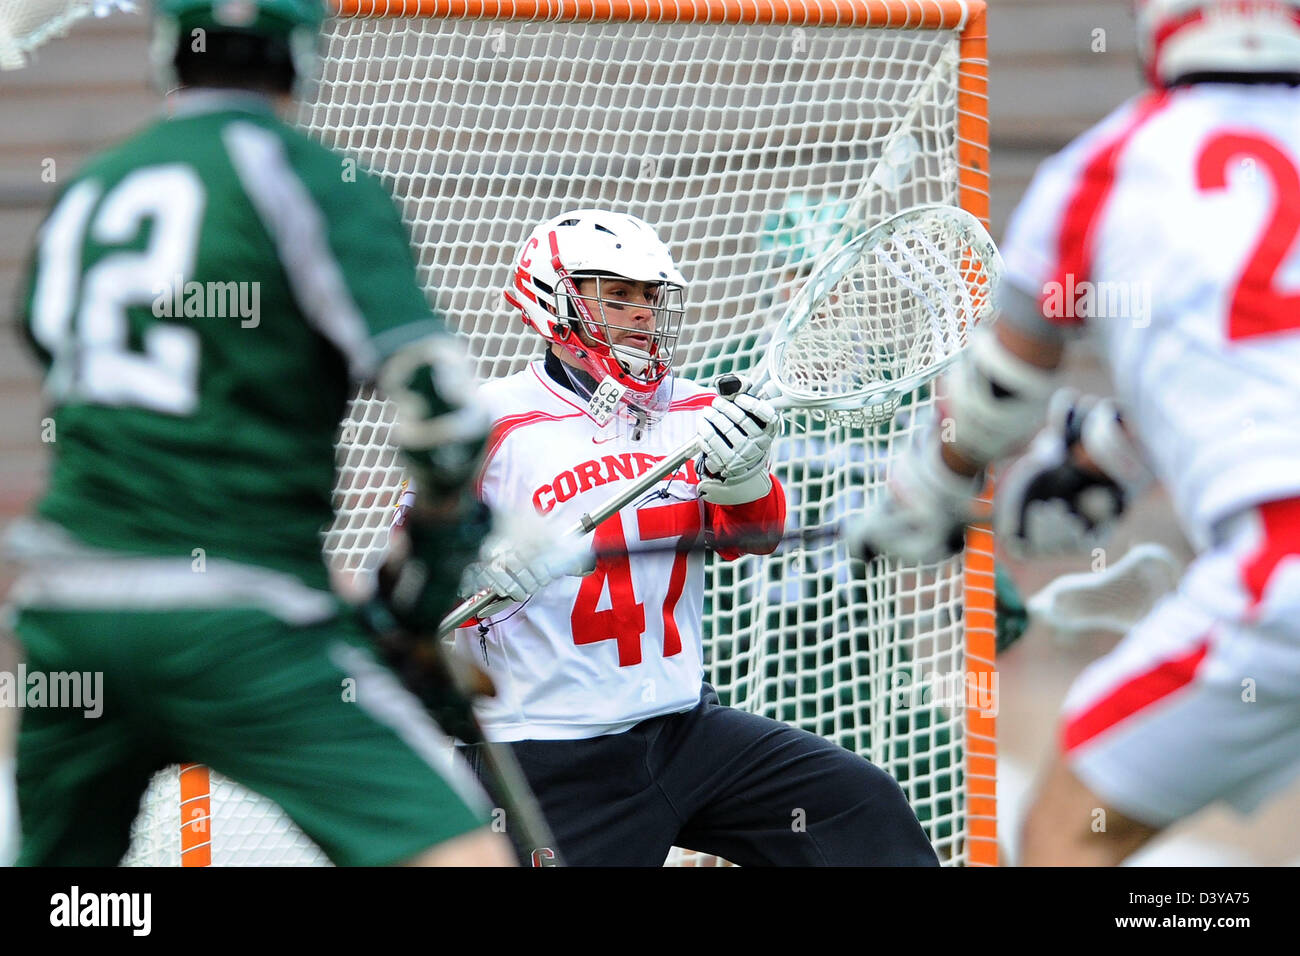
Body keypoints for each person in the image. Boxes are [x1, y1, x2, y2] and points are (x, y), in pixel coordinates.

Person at [4, 0, 513, 866]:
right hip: (236, 621)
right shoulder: (306, 178)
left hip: (69, 611)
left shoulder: (90, 186)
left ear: (170, 49)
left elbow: (65, 357)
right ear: (303, 53)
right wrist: (430, 564)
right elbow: (441, 414)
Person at [851, 0, 1300, 865]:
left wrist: (931, 488)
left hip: (1282, 566)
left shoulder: (1111, 165)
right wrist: (1108, 459)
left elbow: (996, 394)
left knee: (1069, 834)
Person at [450, 208, 938, 866]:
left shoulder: (698, 409)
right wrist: (480, 567)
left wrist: (742, 479)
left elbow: (757, 536)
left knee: (858, 809)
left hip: (684, 729)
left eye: (650, 298)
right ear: (552, 302)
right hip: (550, 748)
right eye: (617, 296)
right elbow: (407, 581)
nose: (642, 314)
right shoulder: (489, 422)